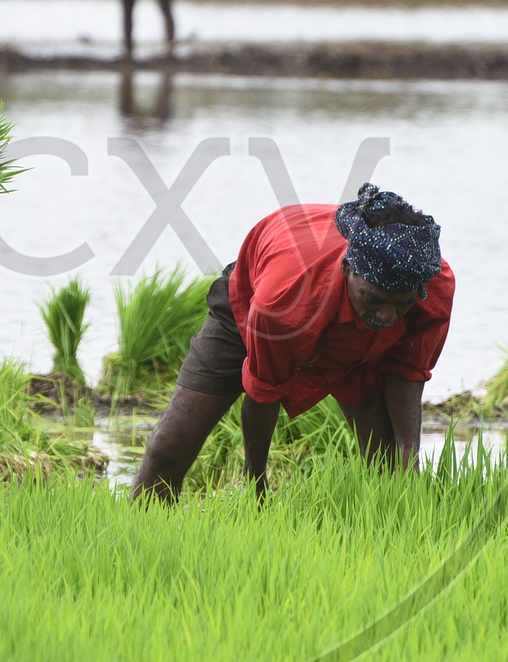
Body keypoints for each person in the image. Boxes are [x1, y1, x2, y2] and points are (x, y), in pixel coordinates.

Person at [132, 183, 455, 502]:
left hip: (357, 335)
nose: (387, 316)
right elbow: (263, 393)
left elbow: (408, 370)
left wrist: (409, 460)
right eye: (375, 299)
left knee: (387, 466)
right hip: (256, 297)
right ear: (347, 268)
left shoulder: (429, 283)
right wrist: (257, 488)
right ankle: (142, 530)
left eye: (401, 304)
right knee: (171, 446)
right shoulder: (283, 306)